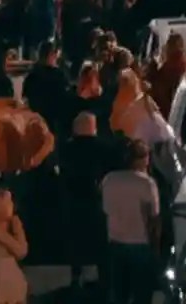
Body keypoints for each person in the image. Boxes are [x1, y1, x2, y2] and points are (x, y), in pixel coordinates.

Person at [101, 138, 161, 304]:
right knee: (142, 294)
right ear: (142, 158)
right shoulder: (147, 183)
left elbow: (106, 211)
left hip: (115, 243)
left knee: (119, 293)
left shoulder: (109, 180)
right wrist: (155, 248)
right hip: (140, 244)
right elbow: (154, 219)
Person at [59, 112, 115, 291]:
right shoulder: (104, 148)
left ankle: (76, 276)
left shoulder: (67, 149)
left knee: (75, 239)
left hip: (74, 200)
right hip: (97, 201)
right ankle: (103, 276)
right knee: (100, 239)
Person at [21, 41, 70, 130]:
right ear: (51, 55)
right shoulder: (59, 75)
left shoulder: (32, 75)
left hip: (35, 120)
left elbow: (25, 96)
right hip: (54, 121)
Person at [147, 33, 186, 119]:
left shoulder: (174, 63)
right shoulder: (182, 62)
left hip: (168, 109)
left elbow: (159, 85)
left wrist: (153, 68)